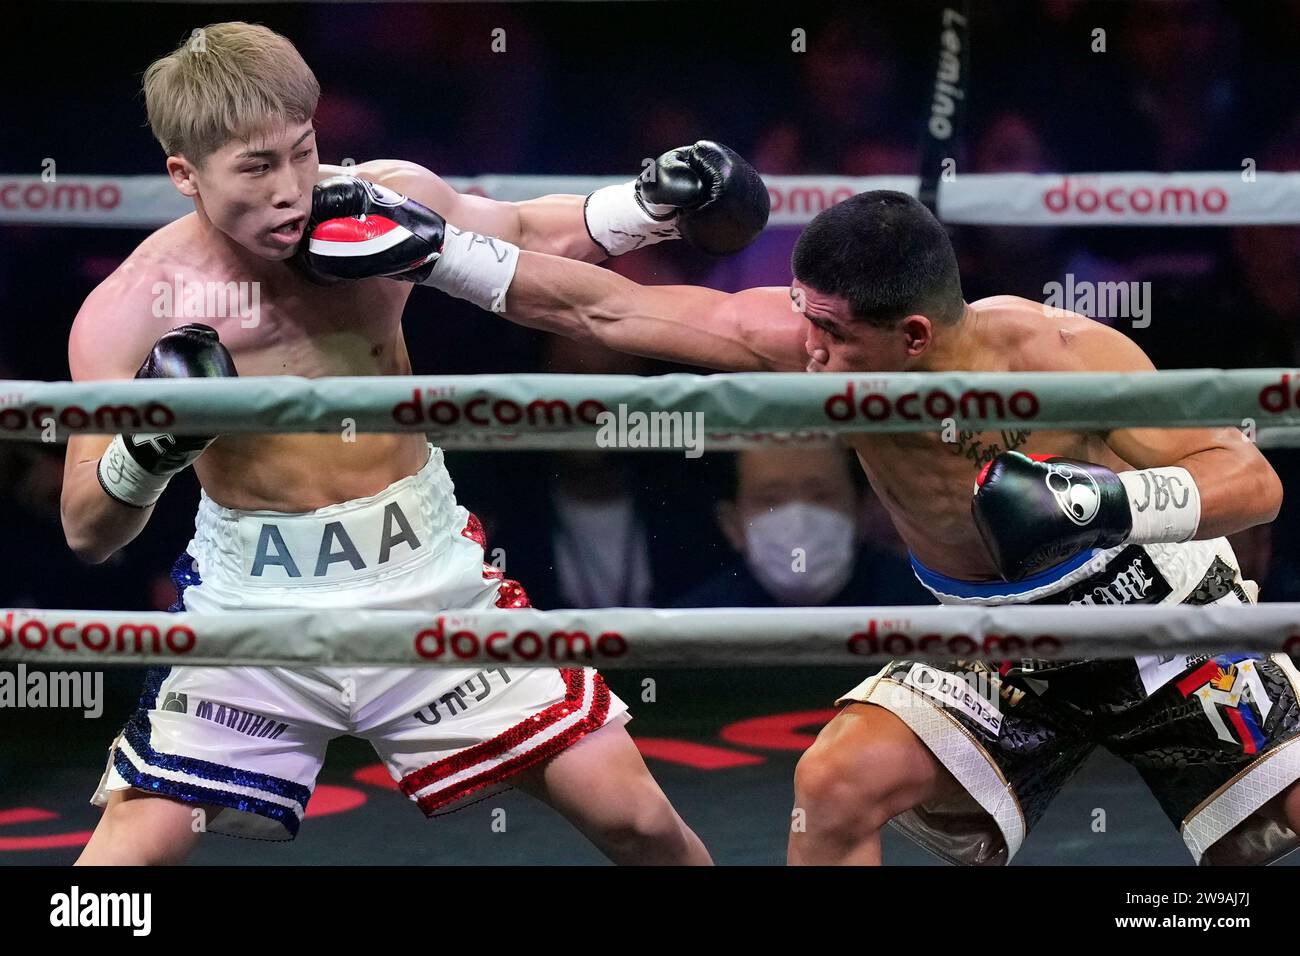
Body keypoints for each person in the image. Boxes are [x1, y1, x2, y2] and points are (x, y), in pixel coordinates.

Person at [392, 188, 1300, 866]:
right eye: (802, 316)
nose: (808, 350)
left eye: (828, 330)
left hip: (1155, 622)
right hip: (994, 641)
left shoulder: (1064, 357)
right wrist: (433, 253)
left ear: (912, 334)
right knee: (832, 785)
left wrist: (1102, 504)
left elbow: (1250, 478)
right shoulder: (813, 349)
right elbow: (607, 306)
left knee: (1267, 834)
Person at [67, 21, 763, 865]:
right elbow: (86, 528)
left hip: (427, 573)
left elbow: (521, 234)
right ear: (185, 174)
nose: (291, 188)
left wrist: (649, 204)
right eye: (255, 167)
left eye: (303, 149)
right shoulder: (132, 307)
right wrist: (150, 446)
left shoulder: (376, 200)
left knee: (640, 822)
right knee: (123, 862)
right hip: (255, 604)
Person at [672, 447, 931, 608]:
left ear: (863, 509)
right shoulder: (694, 627)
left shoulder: (927, 611)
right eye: (770, 499)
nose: (798, 518)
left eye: (821, 496)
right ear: (732, 524)